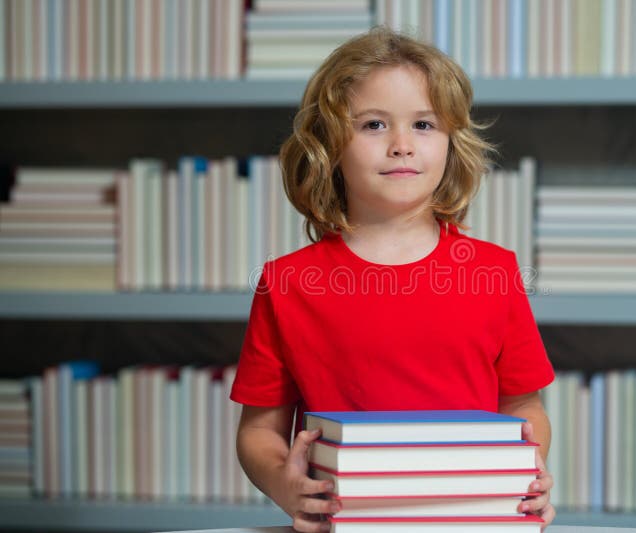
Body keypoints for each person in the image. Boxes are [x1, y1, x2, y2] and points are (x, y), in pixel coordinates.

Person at [230, 26, 556, 532]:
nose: (402, 145)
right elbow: (259, 430)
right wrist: (283, 483)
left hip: (475, 522)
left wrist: (525, 474)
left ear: (452, 143)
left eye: (424, 124)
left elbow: (523, 406)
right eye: (374, 125)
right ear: (330, 146)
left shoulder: (494, 273)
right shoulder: (288, 283)